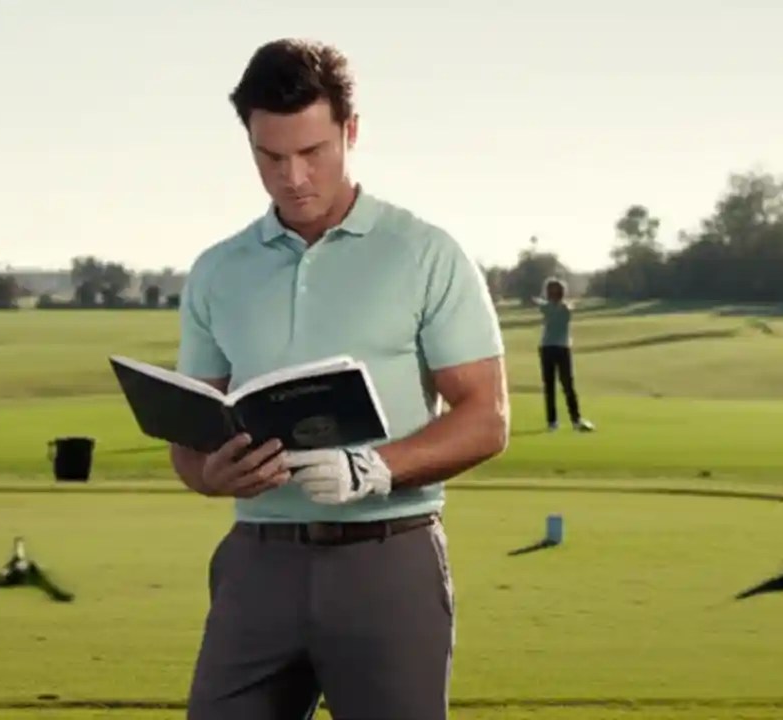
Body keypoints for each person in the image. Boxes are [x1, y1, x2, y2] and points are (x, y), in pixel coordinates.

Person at [169, 38, 509, 720]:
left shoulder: (425, 254)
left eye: (312, 152)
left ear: (351, 132)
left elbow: (487, 418)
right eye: (270, 157)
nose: (293, 177)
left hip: (388, 560)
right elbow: (189, 442)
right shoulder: (216, 271)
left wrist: (374, 470)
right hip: (256, 564)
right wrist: (210, 475)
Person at [533, 277, 594, 432]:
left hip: (547, 348)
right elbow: (569, 306)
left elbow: (540, 303)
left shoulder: (545, 308)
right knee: (568, 385)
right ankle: (575, 419)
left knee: (549, 386)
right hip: (562, 348)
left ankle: (552, 422)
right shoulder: (566, 309)